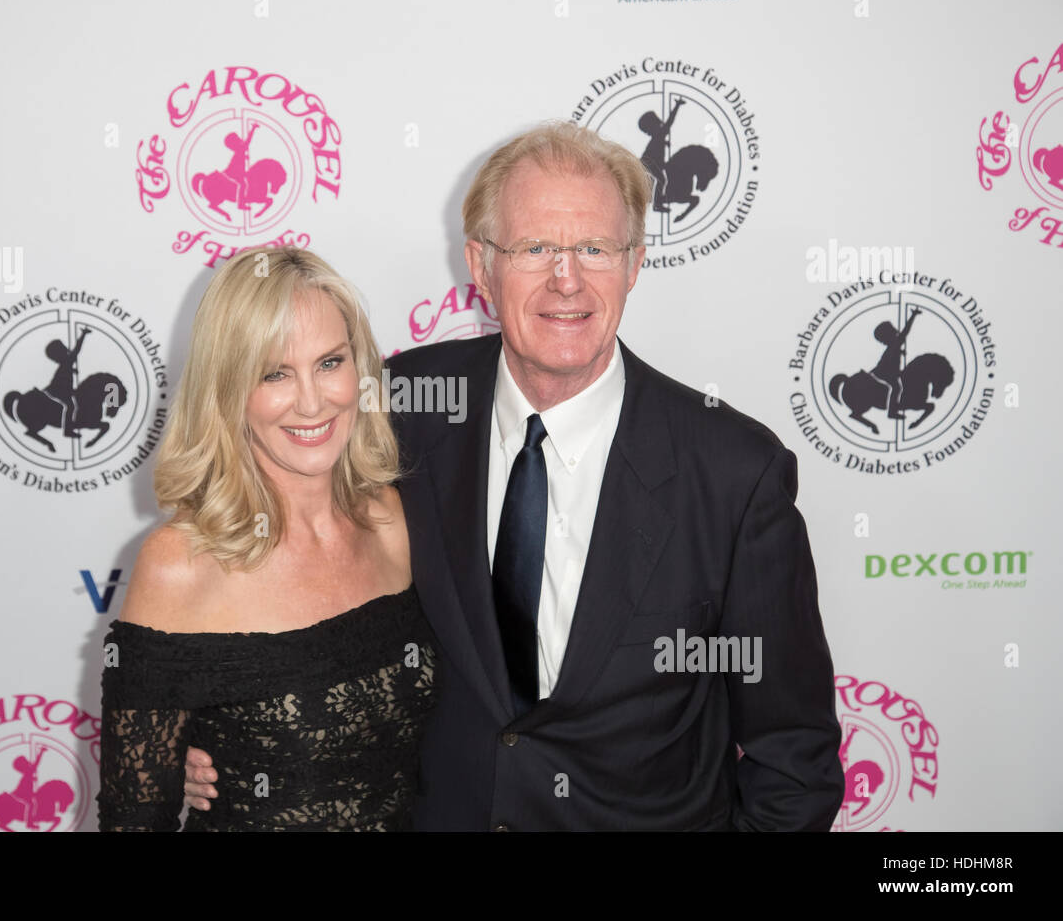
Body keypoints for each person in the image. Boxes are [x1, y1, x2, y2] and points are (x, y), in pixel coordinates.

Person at [187, 122, 846, 830]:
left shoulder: (733, 473)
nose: (568, 280)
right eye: (535, 249)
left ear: (634, 263)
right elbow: (264, 532)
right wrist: (215, 729)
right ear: (480, 264)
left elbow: (793, 759)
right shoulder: (397, 404)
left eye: (595, 248)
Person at [97, 246, 438, 831]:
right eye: (274, 373)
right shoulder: (182, 561)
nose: (312, 400)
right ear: (229, 390)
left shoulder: (389, 516)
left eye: (330, 363)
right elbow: (133, 822)